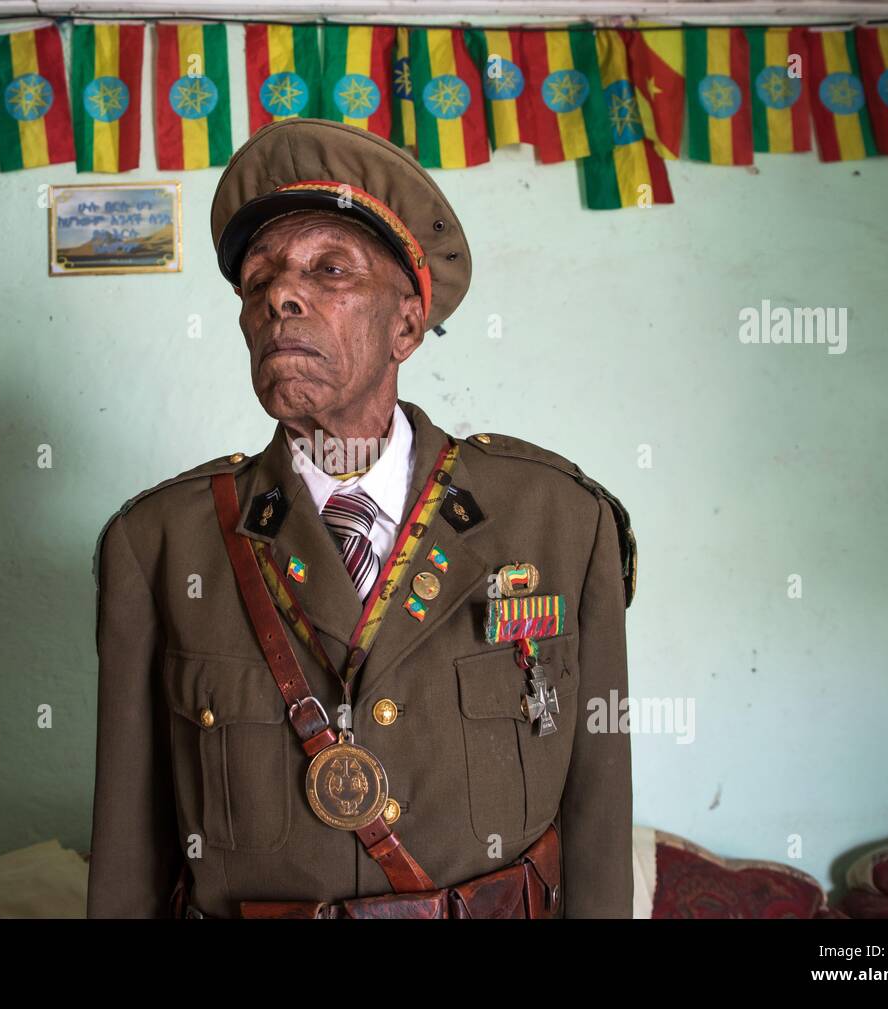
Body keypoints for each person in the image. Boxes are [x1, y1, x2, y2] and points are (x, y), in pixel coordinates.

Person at [88, 118, 636, 919]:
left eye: (329, 269)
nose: (280, 294)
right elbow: (129, 852)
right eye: (258, 281)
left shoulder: (556, 521)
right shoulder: (163, 545)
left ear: (407, 325)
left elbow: (598, 814)